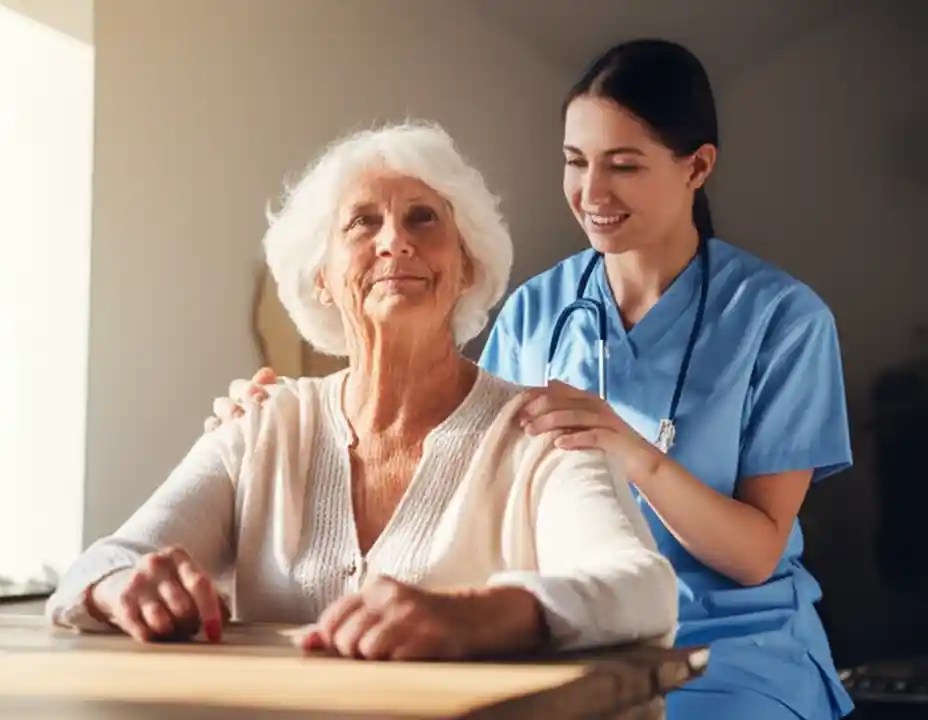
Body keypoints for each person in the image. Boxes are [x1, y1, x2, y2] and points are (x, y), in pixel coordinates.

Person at [212, 41, 853, 718]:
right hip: (573, 640)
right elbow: (460, 472)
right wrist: (278, 428)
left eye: (623, 166)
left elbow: (756, 555)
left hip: (734, 654)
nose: (591, 193)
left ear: (697, 166)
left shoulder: (784, 321)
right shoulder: (535, 311)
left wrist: (630, 451)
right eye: (575, 163)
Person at [46, 122, 678, 662]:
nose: (394, 241)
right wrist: (122, 586)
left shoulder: (544, 435)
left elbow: (644, 589)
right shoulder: (263, 424)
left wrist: (484, 614)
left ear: (468, 268)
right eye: (363, 222)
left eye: (423, 219)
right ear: (322, 279)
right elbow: (98, 567)